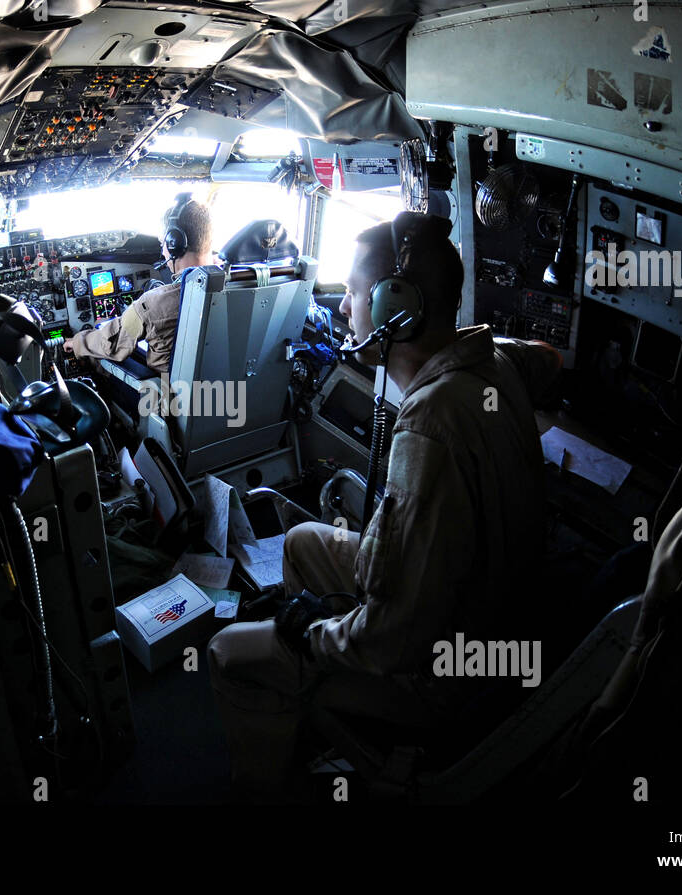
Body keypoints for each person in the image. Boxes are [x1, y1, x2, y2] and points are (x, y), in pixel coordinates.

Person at [207, 211, 563, 797]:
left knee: (225, 653)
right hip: (485, 613)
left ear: (398, 304)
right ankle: (321, 721)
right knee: (300, 542)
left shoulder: (429, 425)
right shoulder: (492, 361)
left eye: (352, 293)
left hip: (444, 673)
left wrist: (309, 634)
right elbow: (545, 359)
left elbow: (394, 637)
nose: (344, 308)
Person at [63, 195, 216, 373]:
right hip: (233, 390)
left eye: (163, 244)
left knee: (98, 359)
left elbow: (110, 343)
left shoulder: (154, 303)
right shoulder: (245, 283)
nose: (164, 252)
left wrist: (76, 342)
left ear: (174, 244)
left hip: (172, 395)